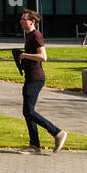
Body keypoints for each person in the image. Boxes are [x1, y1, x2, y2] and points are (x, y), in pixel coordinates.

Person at [15, 10, 67, 154]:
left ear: (32, 21)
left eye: (24, 19)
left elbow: (43, 57)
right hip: (31, 76)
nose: (21, 21)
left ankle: (57, 132)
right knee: (27, 112)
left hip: (36, 78)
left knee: (29, 111)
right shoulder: (29, 35)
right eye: (21, 19)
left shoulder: (36, 35)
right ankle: (34, 146)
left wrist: (24, 55)